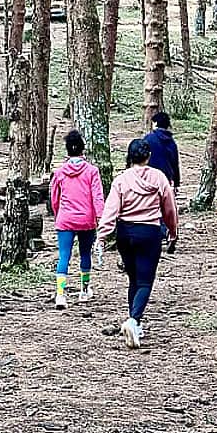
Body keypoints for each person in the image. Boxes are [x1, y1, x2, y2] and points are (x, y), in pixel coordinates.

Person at [97, 138, 179, 349]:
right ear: (148, 156)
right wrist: (172, 230)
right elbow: (169, 208)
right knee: (145, 282)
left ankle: (136, 322)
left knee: (133, 279)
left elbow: (111, 210)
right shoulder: (158, 178)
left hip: (126, 233)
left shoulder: (121, 180)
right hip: (149, 233)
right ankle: (133, 321)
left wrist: (102, 235)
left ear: (129, 156)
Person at [49, 129, 105, 309]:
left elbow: (54, 197)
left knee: (63, 256)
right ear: (83, 150)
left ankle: (60, 295)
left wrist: (58, 214)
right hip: (86, 220)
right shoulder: (92, 171)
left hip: (65, 219)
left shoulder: (59, 172)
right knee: (85, 254)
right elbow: (97, 197)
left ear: (67, 150)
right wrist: (101, 218)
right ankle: (84, 291)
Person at [144, 111, 181, 191]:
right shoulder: (171, 142)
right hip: (166, 179)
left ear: (156, 123)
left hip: (149, 178)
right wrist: (176, 183)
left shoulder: (148, 139)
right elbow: (175, 163)